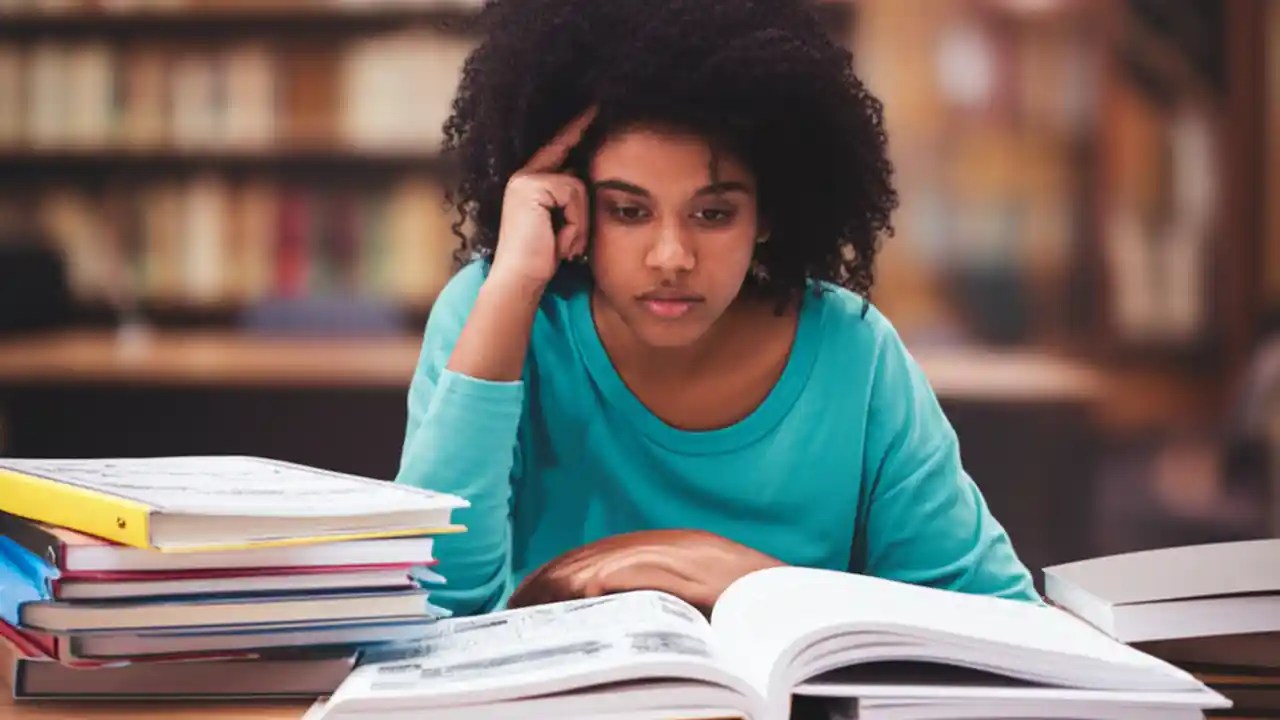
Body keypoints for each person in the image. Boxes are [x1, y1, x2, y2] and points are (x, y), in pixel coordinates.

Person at [395, 0, 1039, 617]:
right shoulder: (496, 313)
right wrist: (509, 286)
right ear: (568, 202)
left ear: (769, 212)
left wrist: (756, 584)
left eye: (713, 213)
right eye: (629, 210)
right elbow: (429, 601)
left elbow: (1000, 618)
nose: (671, 256)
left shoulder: (854, 355)